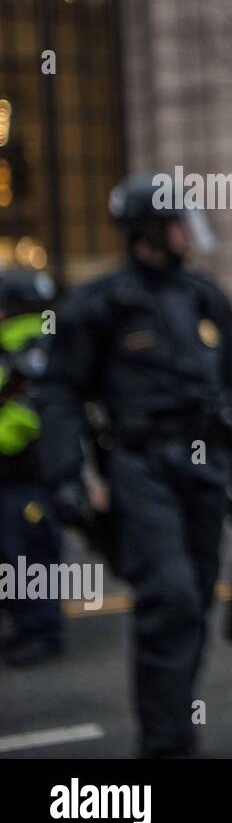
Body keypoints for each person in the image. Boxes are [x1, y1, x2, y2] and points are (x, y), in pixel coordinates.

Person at [38, 172, 232, 757]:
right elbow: (59, 392)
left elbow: (229, 394)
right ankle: (165, 748)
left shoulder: (206, 299)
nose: (189, 231)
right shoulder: (99, 304)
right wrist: (68, 477)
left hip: (203, 465)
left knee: (196, 601)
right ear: (147, 231)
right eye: (177, 221)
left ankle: (177, 727)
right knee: (170, 595)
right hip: (140, 466)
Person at [0, 267, 62, 665]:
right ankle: (34, 627)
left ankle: (38, 630)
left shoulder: (14, 344)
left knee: (21, 552)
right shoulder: (51, 342)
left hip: (16, 470)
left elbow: (21, 419)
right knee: (32, 553)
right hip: (39, 471)